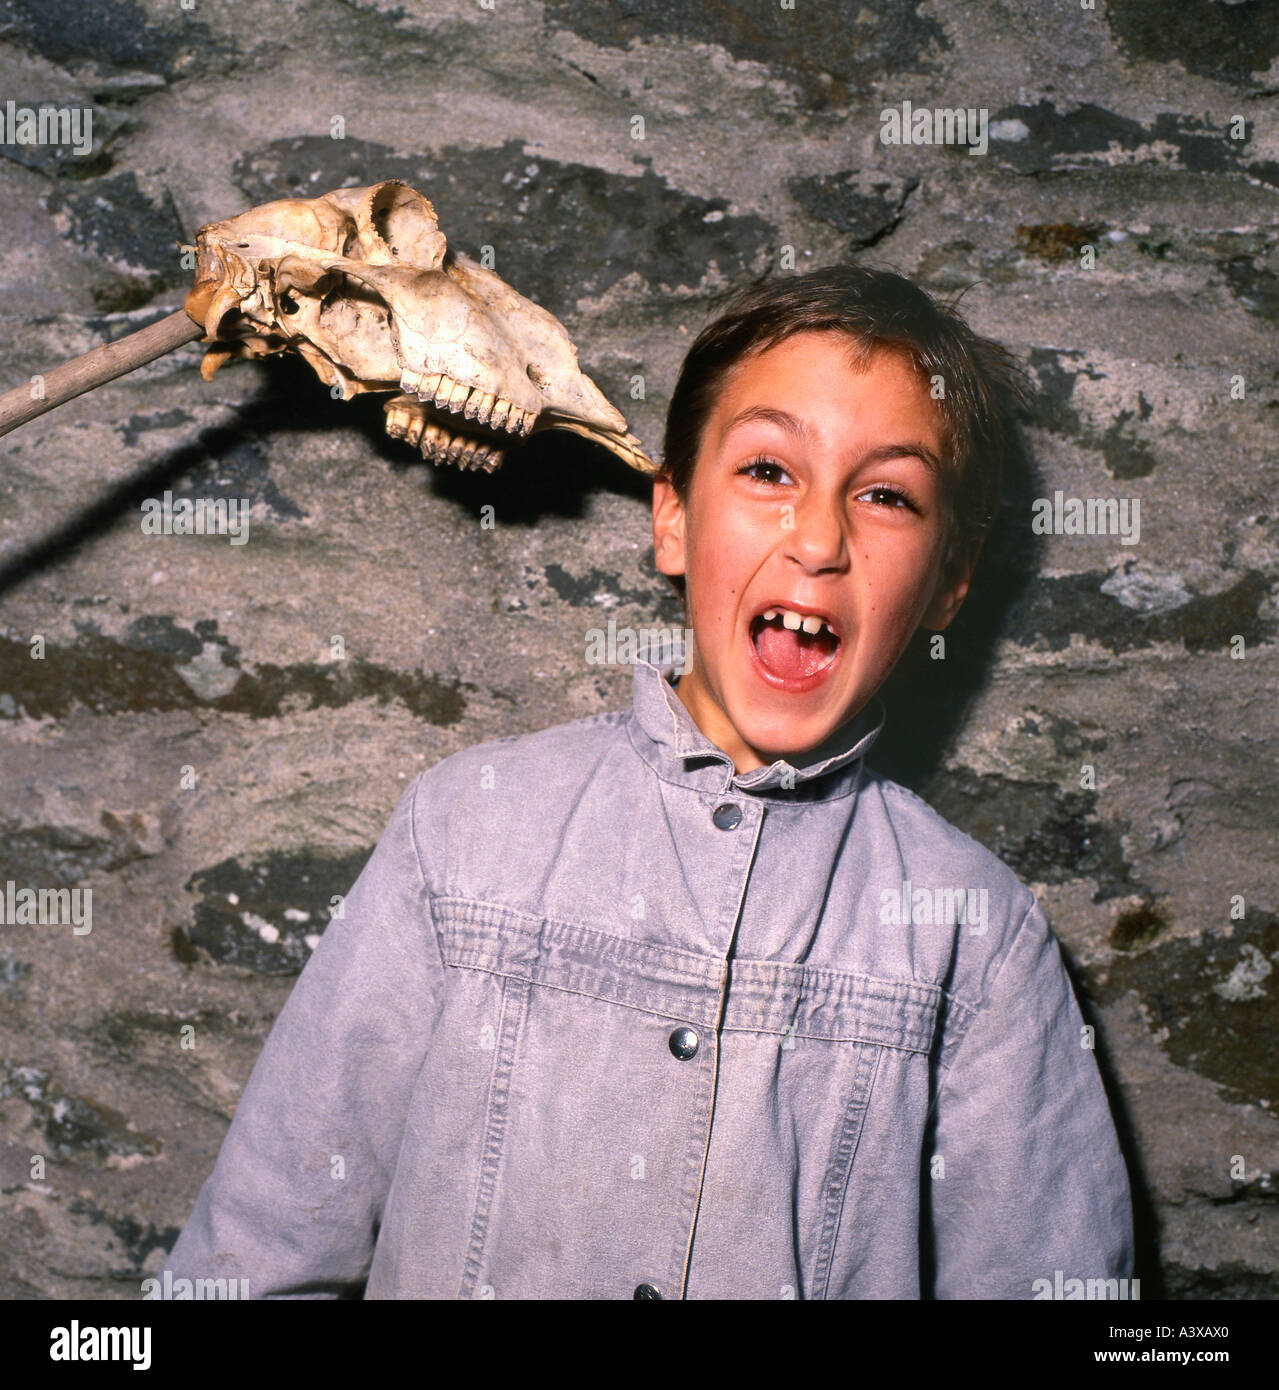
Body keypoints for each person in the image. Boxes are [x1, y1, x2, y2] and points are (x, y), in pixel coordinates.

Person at [163, 265, 1134, 1299]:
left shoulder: (974, 938)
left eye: (887, 494)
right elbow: (253, 1262)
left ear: (947, 580)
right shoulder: (463, 836)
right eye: (768, 471)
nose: (817, 540)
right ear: (671, 516)